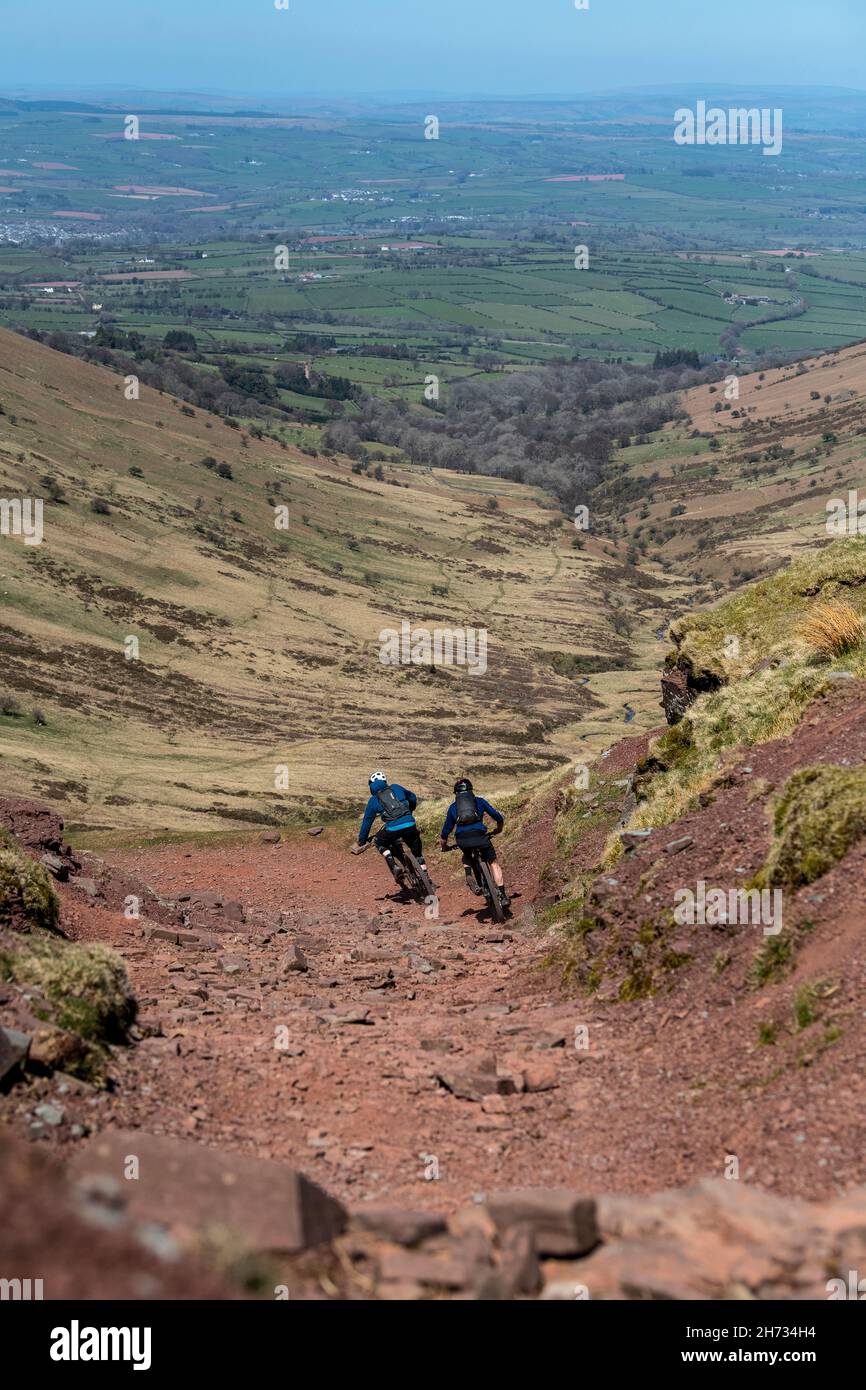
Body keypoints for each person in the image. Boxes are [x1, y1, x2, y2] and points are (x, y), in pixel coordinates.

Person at [439, 777, 509, 905]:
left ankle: (469, 874)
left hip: (462, 839)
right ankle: (503, 895)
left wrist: (444, 847)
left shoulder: (453, 807)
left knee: (466, 856)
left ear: (456, 794)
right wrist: (498, 829)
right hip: (480, 836)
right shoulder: (479, 801)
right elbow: (497, 816)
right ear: (471, 790)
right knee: (493, 862)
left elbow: (445, 832)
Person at [357, 771, 429, 887]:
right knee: (417, 851)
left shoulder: (373, 800)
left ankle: (393, 864)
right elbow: (413, 797)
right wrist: (410, 810)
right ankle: (425, 875)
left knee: (379, 841)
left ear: (371, 786)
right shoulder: (396, 787)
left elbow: (367, 822)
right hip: (410, 823)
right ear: (385, 782)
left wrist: (362, 840)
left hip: (392, 827)